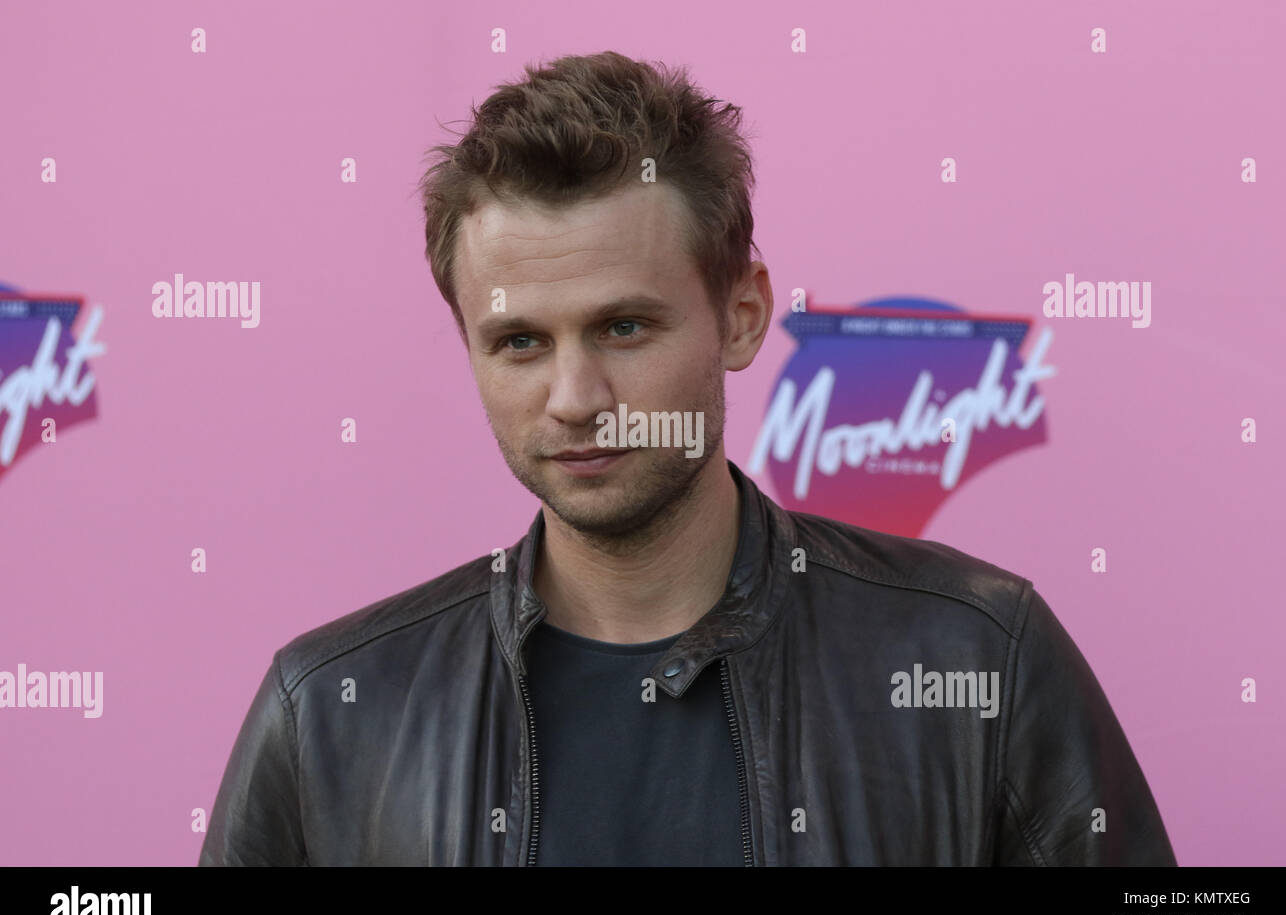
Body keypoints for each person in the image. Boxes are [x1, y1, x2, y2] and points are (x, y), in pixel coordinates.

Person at [199, 50, 1176, 866]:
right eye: (520, 342)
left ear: (740, 314)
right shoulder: (331, 710)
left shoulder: (976, 656)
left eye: (623, 326)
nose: (575, 397)